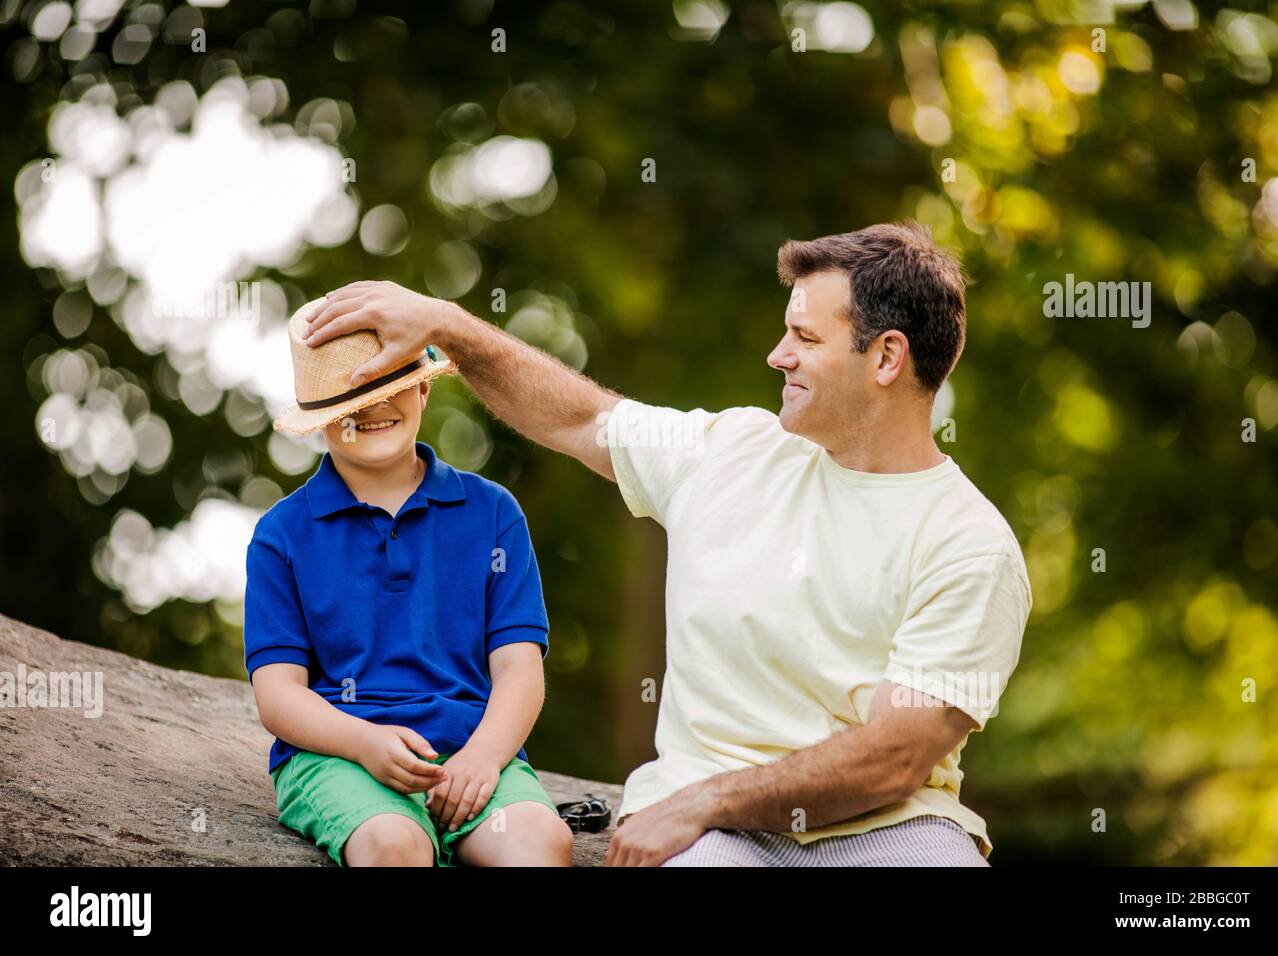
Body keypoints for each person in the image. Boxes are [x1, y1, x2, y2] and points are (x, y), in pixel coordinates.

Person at [303, 220, 1032, 866]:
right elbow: (578, 419)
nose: (778, 357)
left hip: (891, 832)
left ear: (886, 358)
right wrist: (451, 328)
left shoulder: (970, 546)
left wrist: (704, 800)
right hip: (714, 845)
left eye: (806, 339)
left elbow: (894, 759)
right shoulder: (732, 449)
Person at [242, 299, 573, 866]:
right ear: (320, 416)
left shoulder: (493, 512)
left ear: (422, 388)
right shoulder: (282, 534)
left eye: (389, 384)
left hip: (474, 752)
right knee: (395, 844)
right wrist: (365, 742)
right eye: (348, 398)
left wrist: (484, 758)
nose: (371, 409)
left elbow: (520, 667)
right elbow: (277, 694)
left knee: (542, 843)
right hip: (340, 757)